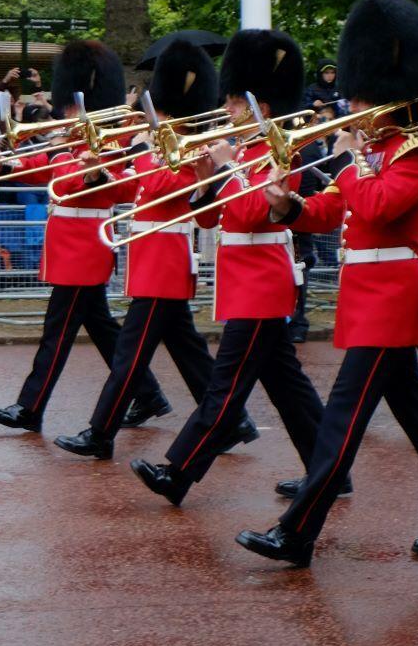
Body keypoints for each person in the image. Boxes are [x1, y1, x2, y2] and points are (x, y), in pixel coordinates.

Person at [237, 0, 418, 568]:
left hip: (393, 297)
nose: (350, 105)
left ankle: (297, 531)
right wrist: (288, 208)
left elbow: (377, 207)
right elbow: (333, 211)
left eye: (359, 96)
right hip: (368, 295)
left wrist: (350, 160)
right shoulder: (375, 150)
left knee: (342, 417)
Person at [124, 31, 325, 506]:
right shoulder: (244, 152)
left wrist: (228, 169)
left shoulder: (281, 151)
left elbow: (258, 211)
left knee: (225, 385)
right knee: (288, 388)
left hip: (262, 280)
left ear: (264, 107)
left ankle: (179, 472)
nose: (228, 109)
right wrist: (204, 178)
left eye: (237, 101)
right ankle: (328, 468)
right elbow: (209, 217)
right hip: (243, 279)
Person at [51, 37, 238, 461]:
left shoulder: (190, 150)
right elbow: (138, 185)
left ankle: (101, 432)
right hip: (152, 261)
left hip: (164, 262)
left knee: (128, 357)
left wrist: (138, 158)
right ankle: (233, 422)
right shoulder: (164, 146)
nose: (160, 116)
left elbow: (158, 186)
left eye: (166, 109)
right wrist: (104, 168)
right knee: (187, 352)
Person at [0, 40, 165, 433]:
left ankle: (30, 406)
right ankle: (149, 394)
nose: (63, 113)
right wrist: (3, 163)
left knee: (57, 332)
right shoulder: (68, 140)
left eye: (69, 105)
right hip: (68, 244)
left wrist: (98, 172)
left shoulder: (110, 142)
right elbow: (45, 167)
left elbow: (125, 190)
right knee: (102, 330)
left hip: (85, 246)